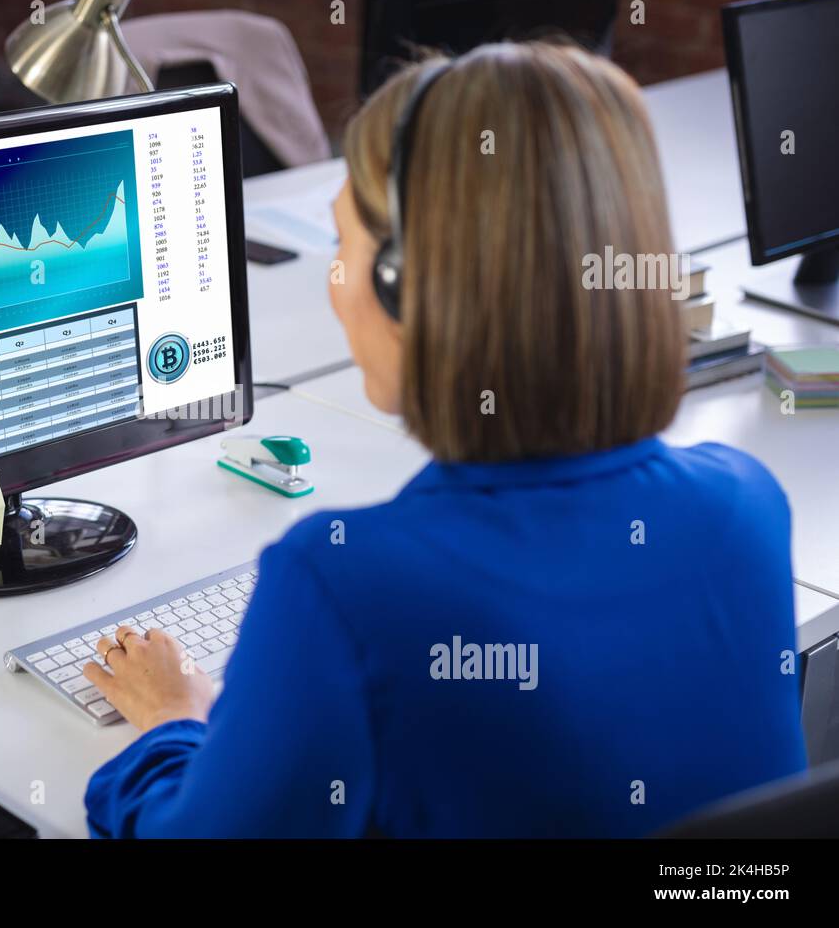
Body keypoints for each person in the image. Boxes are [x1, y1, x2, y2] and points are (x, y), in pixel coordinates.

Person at [81, 42, 807, 837]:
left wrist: (175, 720)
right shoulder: (746, 506)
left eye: (342, 246)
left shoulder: (344, 584)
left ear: (404, 286)